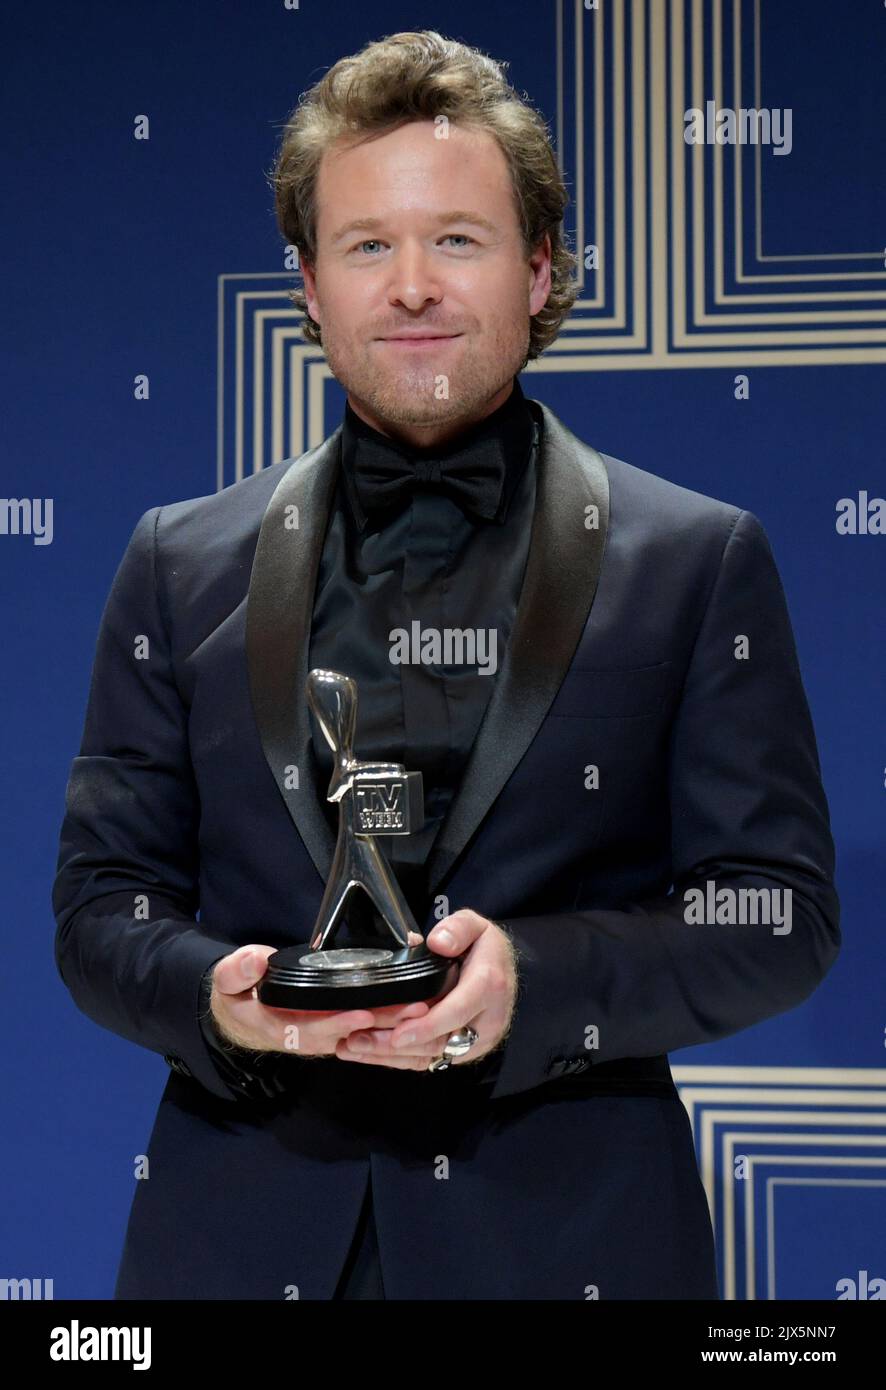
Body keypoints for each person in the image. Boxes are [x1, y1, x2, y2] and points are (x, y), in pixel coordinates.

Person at [52, 30, 840, 1300]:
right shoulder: (173, 562)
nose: (411, 285)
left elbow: (778, 916)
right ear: (307, 285)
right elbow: (99, 913)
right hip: (236, 1249)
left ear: (538, 269)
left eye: (457, 240)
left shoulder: (698, 561)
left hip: (573, 1244)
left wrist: (535, 979)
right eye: (368, 245)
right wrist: (221, 996)